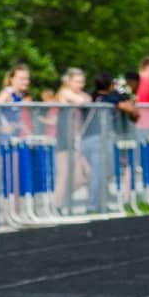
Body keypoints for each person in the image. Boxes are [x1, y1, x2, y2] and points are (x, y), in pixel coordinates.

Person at [83, 71, 139, 212]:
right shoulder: (110, 99)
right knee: (100, 172)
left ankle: (100, 201)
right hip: (99, 140)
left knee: (101, 172)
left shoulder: (91, 96)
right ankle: (94, 205)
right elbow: (133, 112)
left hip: (87, 140)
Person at [54, 68, 92, 212]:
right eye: (77, 82)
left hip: (76, 141)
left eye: (82, 82)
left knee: (80, 177)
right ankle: (56, 206)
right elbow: (82, 100)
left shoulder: (75, 93)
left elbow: (88, 99)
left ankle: (61, 200)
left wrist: (84, 97)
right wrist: (83, 97)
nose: (80, 85)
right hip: (64, 140)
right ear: (69, 81)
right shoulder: (64, 92)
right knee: (63, 175)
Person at [0, 64, 33, 140]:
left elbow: (18, 119)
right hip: (5, 139)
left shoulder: (21, 95)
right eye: (22, 79)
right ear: (12, 79)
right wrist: (0, 127)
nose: (26, 82)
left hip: (16, 138)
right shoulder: (7, 93)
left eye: (27, 79)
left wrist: (29, 134)